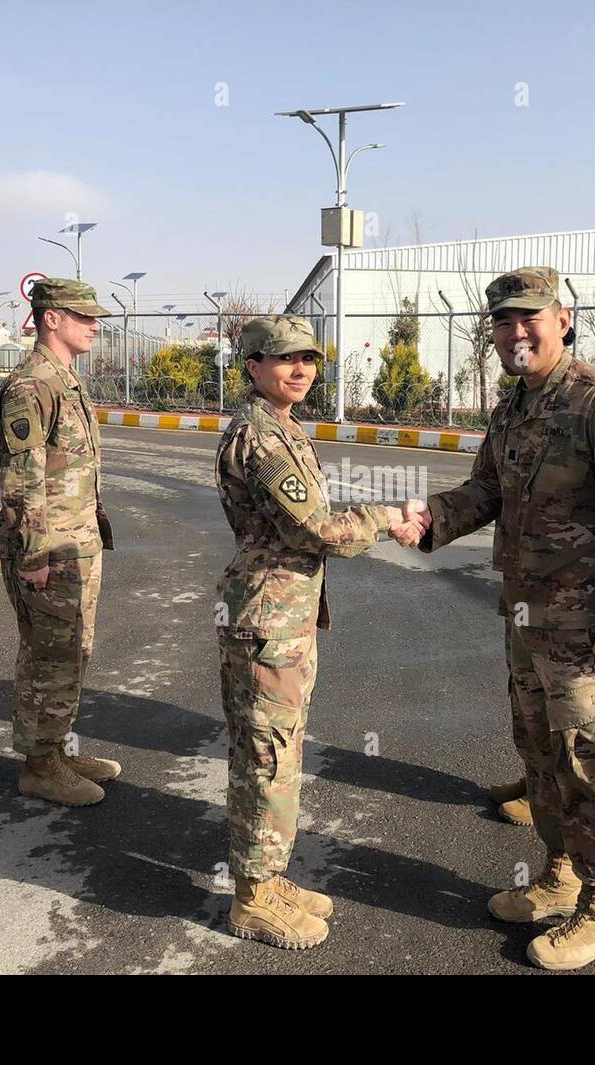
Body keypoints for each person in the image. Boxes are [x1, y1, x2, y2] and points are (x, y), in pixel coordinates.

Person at [406, 266, 595, 970]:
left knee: (593, 763)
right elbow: (485, 491)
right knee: (539, 752)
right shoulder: (512, 410)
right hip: (527, 617)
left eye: (529, 316)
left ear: (564, 318)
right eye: (502, 320)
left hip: (590, 626)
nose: (515, 330)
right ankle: (560, 873)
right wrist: (431, 518)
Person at [214, 314, 424, 950]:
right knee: (266, 756)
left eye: (308, 358)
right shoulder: (263, 436)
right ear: (252, 366)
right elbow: (316, 528)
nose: (301, 369)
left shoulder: (280, 425)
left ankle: (270, 876)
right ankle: (252, 896)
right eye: (284, 359)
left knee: (280, 749)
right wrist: (388, 518)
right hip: (265, 621)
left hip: (283, 618)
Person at [0, 278, 118, 807]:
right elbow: (23, 481)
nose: (94, 325)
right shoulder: (31, 386)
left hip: (75, 544)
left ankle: (56, 749)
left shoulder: (65, 378)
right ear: (50, 318)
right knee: (49, 656)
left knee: (72, 652)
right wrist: (34, 556)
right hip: (48, 549)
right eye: (83, 316)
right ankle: (40, 766)